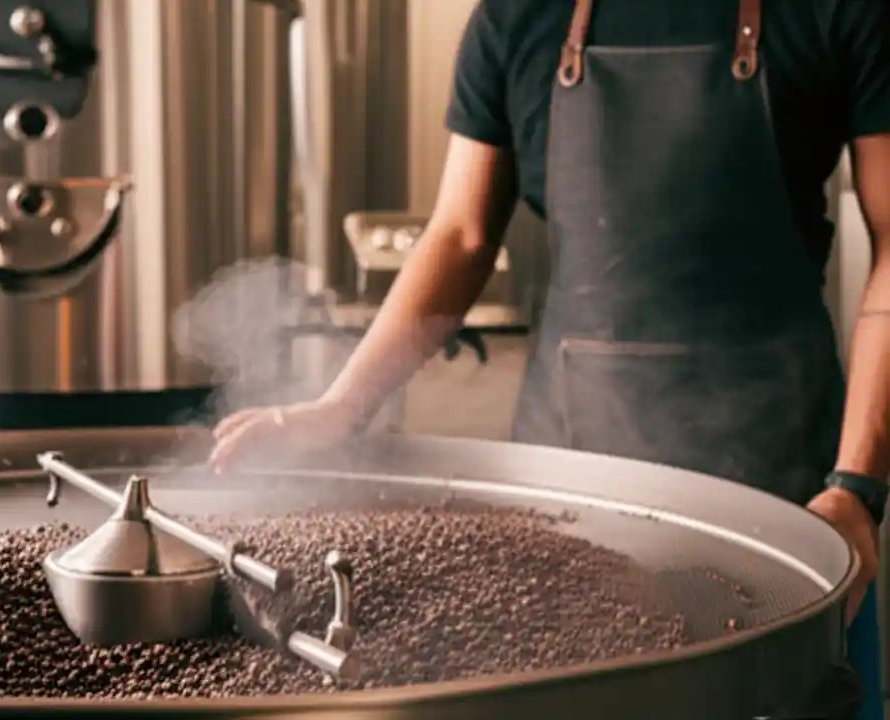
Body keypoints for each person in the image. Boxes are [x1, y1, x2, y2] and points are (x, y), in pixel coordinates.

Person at [209, 1, 890, 717]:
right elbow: (461, 236)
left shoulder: (838, 9)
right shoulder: (517, 18)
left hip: (785, 514)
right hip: (572, 510)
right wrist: (342, 405)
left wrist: (856, 489)